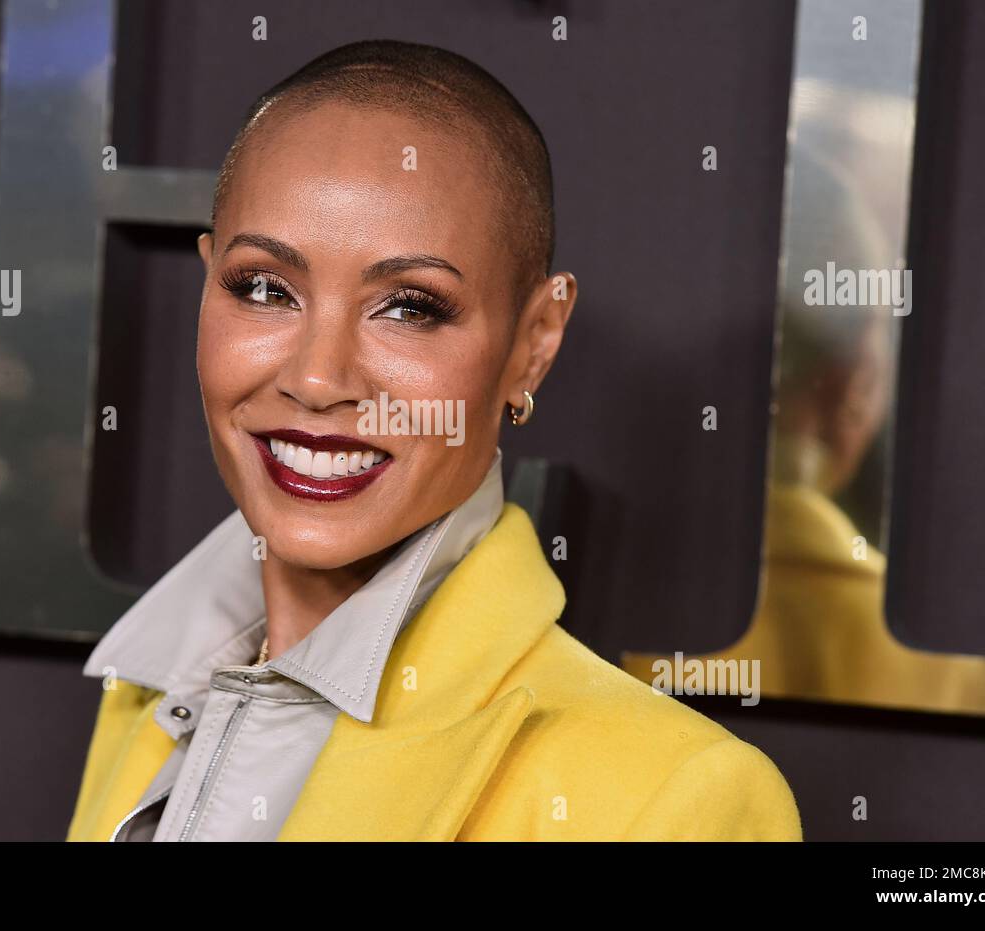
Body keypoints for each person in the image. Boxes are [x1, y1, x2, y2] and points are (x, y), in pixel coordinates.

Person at [67, 39, 801, 841]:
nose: (317, 379)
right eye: (265, 288)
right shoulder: (146, 693)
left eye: (410, 306)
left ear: (535, 340)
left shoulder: (672, 798)